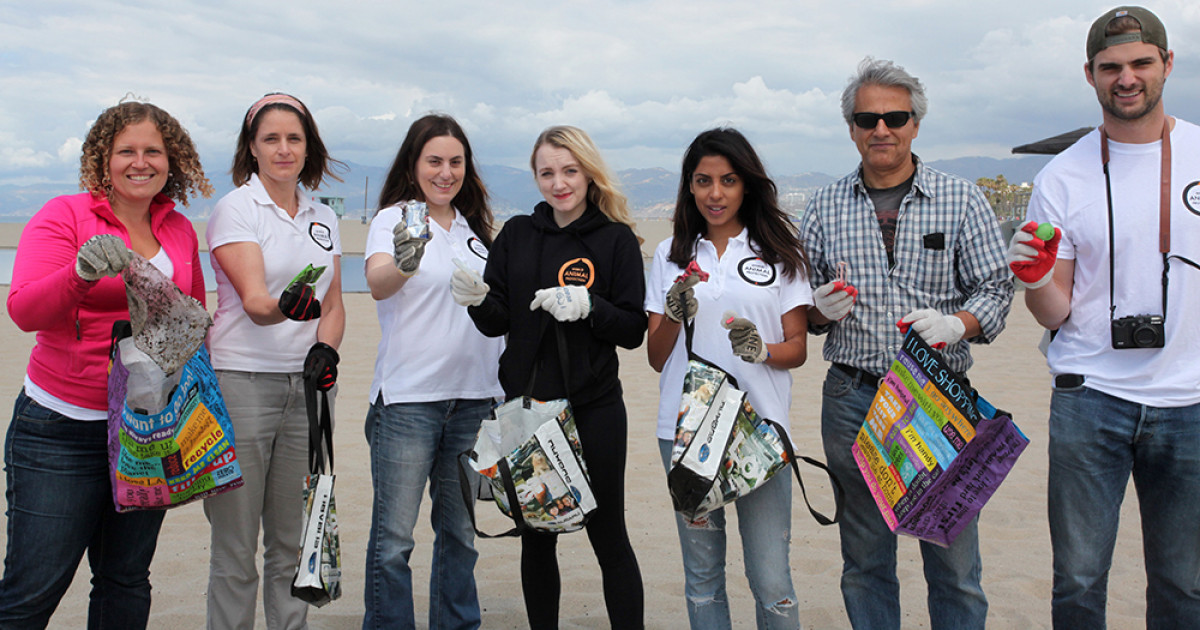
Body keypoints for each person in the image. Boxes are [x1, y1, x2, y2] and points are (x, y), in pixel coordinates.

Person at [798, 58, 1013, 630]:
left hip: (939, 397)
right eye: (867, 118)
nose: (881, 129)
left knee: (954, 563)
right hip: (852, 399)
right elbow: (801, 308)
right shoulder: (823, 206)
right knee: (865, 560)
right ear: (851, 128)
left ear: (915, 123)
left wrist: (958, 324)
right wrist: (817, 312)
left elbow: (996, 287)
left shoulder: (961, 198)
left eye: (895, 116)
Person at [1014, 7, 1200, 628]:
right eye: (1111, 67)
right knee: (1079, 582)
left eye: (1141, 63)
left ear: (1167, 65)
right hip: (1091, 397)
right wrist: (1035, 279)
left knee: (1184, 585)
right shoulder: (1061, 175)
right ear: (1089, 74)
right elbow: (1057, 308)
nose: (1127, 78)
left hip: (1191, 401)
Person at [1, 100, 211, 628]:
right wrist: (80, 275)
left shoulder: (181, 230)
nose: (140, 162)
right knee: (31, 592)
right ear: (103, 160)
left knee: (124, 582)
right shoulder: (63, 215)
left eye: (153, 151)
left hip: (149, 431)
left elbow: (193, 323)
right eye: (126, 151)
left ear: (172, 161)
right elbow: (24, 310)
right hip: (61, 429)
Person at [451, 125, 646, 629]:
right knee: (537, 535)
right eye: (547, 173)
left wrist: (590, 307)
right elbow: (498, 318)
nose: (559, 183)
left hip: (596, 406)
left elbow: (632, 330)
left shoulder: (616, 239)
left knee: (608, 534)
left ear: (587, 172)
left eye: (569, 171)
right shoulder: (517, 235)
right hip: (529, 410)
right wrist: (476, 301)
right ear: (536, 176)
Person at [645, 128, 813, 628]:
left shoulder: (778, 251)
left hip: (760, 429)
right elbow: (656, 356)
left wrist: (762, 350)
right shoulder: (670, 255)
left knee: (772, 581)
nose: (715, 194)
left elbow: (798, 349)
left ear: (747, 185)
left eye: (728, 180)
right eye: (703, 181)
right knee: (701, 579)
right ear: (689, 187)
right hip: (686, 432)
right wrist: (675, 312)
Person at [203, 92, 346, 629]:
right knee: (237, 545)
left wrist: (326, 349)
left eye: (294, 138)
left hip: (308, 388)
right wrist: (287, 307)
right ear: (252, 148)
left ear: (309, 147)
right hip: (242, 384)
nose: (284, 149)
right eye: (271, 139)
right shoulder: (236, 208)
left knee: (292, 541)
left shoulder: (322, 215)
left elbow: (332, 306)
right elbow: (257, 303)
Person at [361, 113, 503, 629]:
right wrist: (406, 259)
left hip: (474, 400)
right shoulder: (394, 219)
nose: (446, 173)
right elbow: (377, 282)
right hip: (408, 402)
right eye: (434, 161)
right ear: (414, 165)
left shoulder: (474, 231)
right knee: (394, 539)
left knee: (460, 535)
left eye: (455, 162)